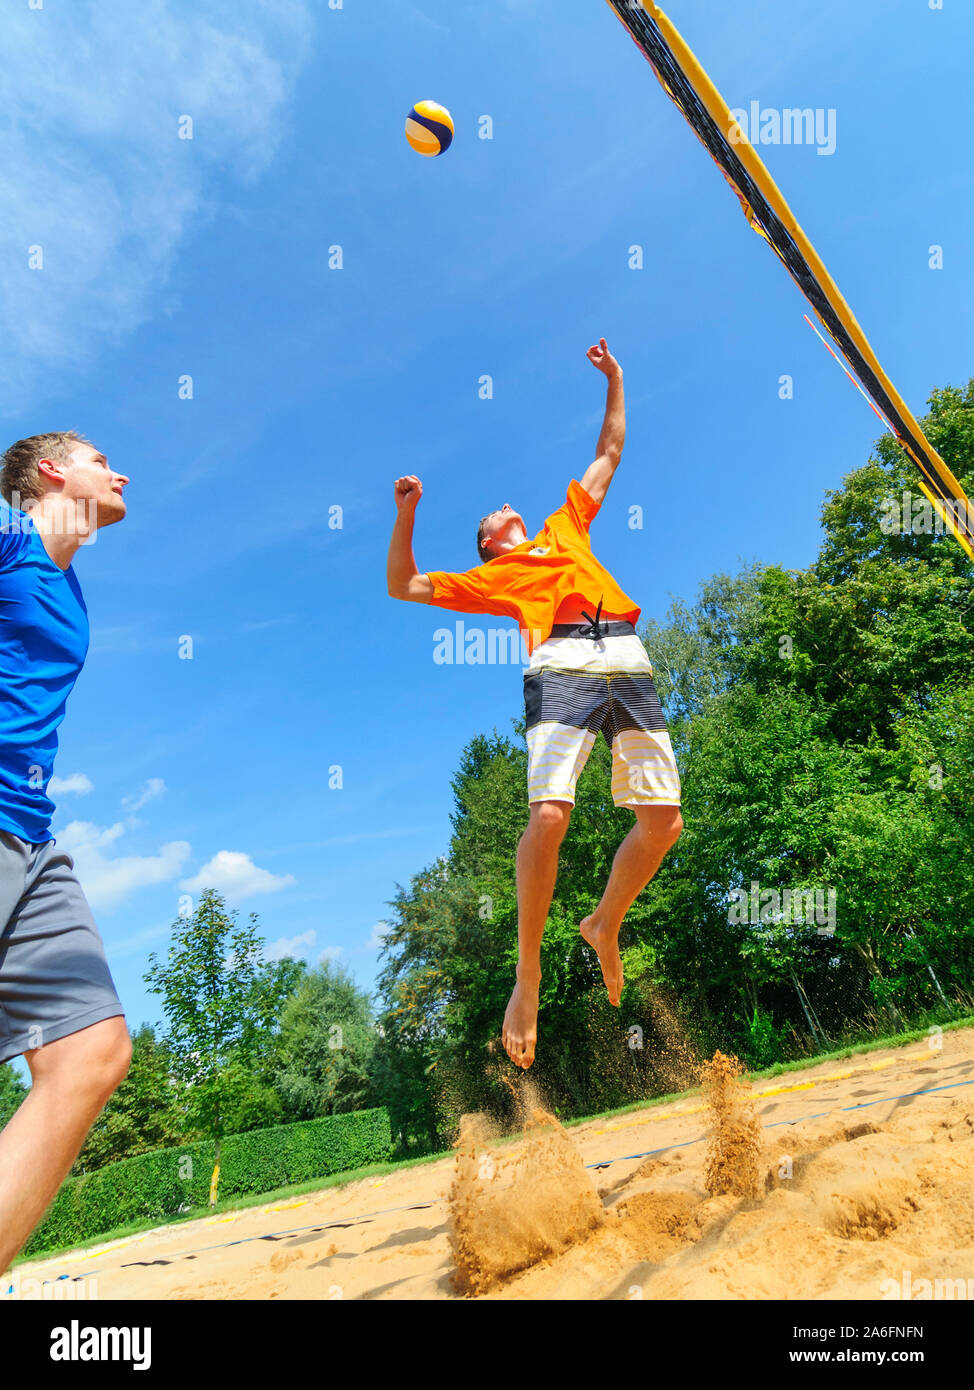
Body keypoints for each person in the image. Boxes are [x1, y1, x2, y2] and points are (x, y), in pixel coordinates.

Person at [387, 340, 682, 1069]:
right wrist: (408, 513)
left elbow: (609, 451)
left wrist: (615, 377)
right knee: (550, 814)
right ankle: (529, 975)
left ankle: (603, 922)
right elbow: (405, 585)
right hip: (560, 659)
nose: (504, 504)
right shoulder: (493, 577)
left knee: (664, 823)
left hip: (624, 651)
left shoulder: (564, 527)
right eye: (494, 514)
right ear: (491, 544)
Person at [0, 431, 132, 1272]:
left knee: (92, 1049)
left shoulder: (70, 586)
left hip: (31, 840)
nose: (119, 472)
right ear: (50, 472)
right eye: (98, 456)